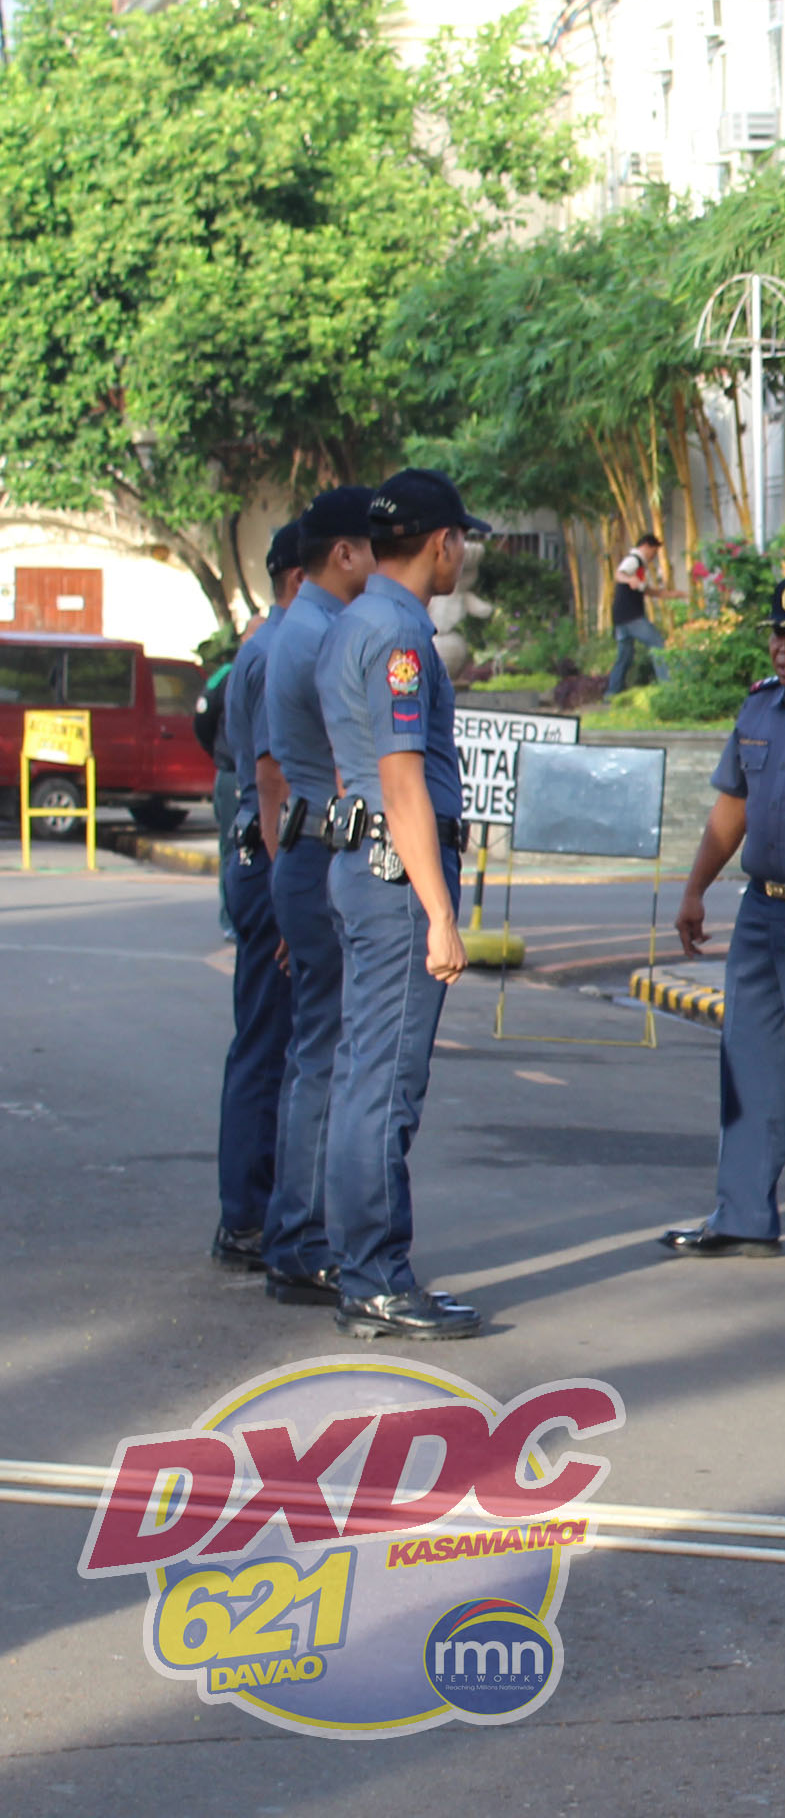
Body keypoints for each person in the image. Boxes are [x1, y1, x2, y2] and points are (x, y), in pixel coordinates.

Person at [318, 469, 491, 1340]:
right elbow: (400, 777)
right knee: (387, 1084)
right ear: (442, 542)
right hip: (396, 875)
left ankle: (355, 1265)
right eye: (462, 541)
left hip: (362, 865)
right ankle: (376, 1276)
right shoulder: (398, 637)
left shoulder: (351, 621)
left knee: (360, 1077)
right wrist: (441, 914)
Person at [665, 569, 785, 1270]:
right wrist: (695, 890)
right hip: (761, 913)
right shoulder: (759, 710)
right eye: (778, 634)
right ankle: (744, 1213)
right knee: (748, 1065)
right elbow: (732, 809)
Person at [258, 487, 377, 1308]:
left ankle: (296, 1232)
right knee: (325, 1055)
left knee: (317, 1051)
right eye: (373, 546)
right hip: (323, 847)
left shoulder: (294, 629)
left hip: (302, 849)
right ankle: (300, 1237)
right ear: (343, 553)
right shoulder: (324, 638)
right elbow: (345, 765)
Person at [209, 522, 303, 1275]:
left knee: (266, 1041)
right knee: (269, 1047)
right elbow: (272, 777)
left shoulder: (263, 645)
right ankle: (248, 1215)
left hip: (258, 851)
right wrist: (286, 890)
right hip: (268, 855)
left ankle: (254, 1210)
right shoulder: (275, 652)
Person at [608, 531, 667, 698]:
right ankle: (668, 687)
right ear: (646, 546)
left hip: (621, 617)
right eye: (654, 552)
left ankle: (612, 692)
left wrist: (666, 594)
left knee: (624, 656)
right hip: (631, 617)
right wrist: (629, 580)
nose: (654, 556)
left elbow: (643, 589)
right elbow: (619, 574)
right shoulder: (633, 560)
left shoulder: (639, 564)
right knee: (658, 644)